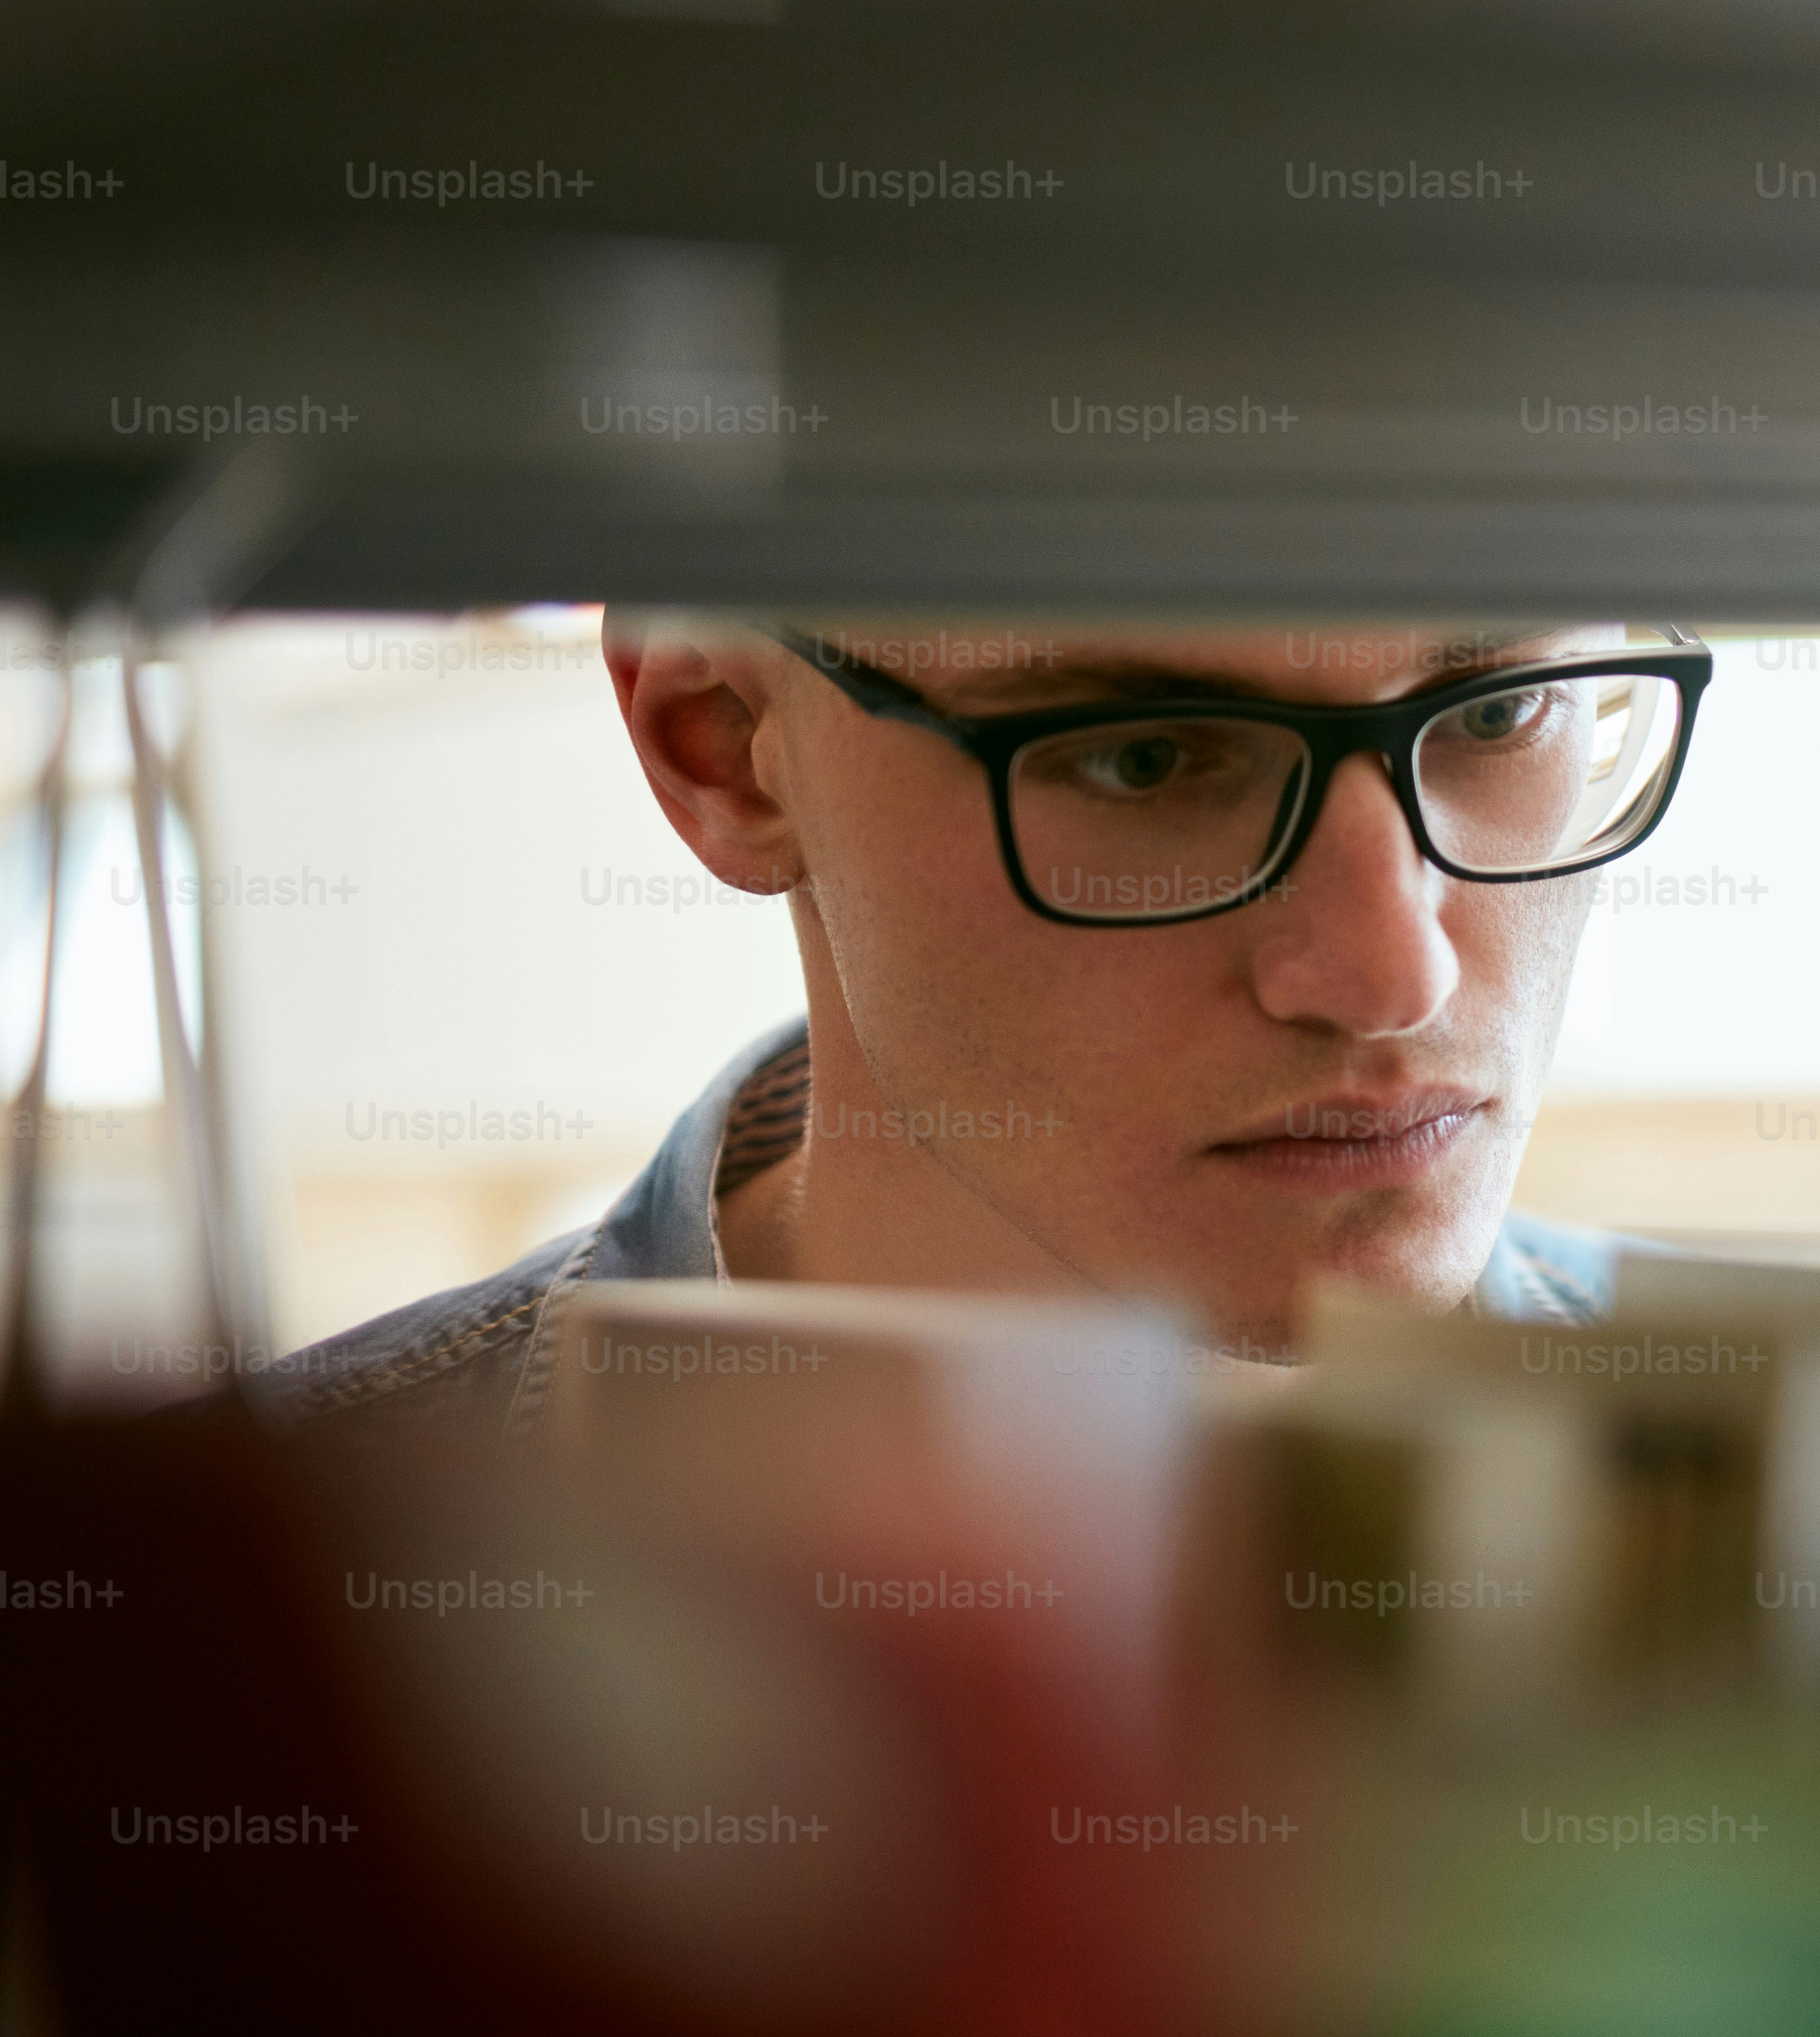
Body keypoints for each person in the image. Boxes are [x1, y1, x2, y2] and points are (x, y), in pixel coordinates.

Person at [250, 611, 1707, 1439]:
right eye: (1146, 758)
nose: (1395, 977)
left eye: (1499, 718)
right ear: (724, 751)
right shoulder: (247, 1612)